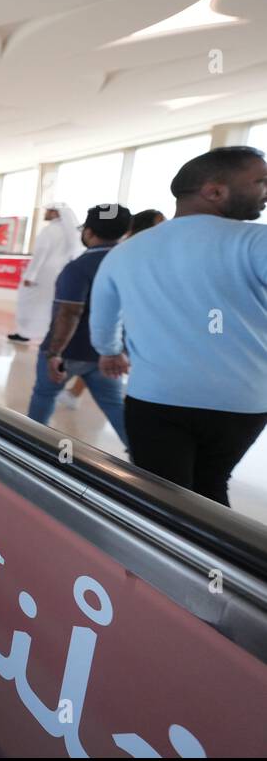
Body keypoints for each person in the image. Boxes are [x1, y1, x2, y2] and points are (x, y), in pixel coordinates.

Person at [91, 146, 267, 507]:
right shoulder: (256, 243)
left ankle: (157, 560)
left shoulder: (125, 252)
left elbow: (103, 318)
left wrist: (109, 351)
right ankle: (212, 560)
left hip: (157, 398)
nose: (265, 191)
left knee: (159, 495)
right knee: (212, 483)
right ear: (215, 190)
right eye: (260, 181)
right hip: (243, 402)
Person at [27, 204, 132, 445]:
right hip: (109, 353)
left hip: (70, 352)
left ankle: (30, 444)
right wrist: (121, 350)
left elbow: (69, 312)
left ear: (88, 232)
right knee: (115, 406)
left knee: (44, 396)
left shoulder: (78, 268)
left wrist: (55, 352)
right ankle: (145, 459)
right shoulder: (130, 266)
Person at [8, 203, 80, 343]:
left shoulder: (49, 231)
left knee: (29, 303)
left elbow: (41, 253)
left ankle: (25, 333)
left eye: (48, 211)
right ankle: (46, 332)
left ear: (55, 213)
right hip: (58, 272)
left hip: (42, 274)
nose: (44, 213)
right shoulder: (69, 232)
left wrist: (31, 275)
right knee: (48, 305)